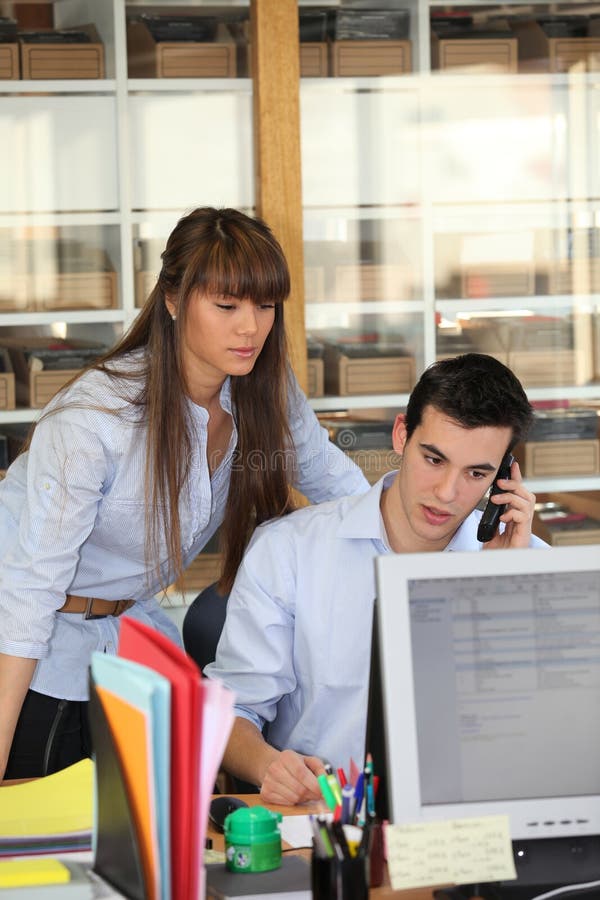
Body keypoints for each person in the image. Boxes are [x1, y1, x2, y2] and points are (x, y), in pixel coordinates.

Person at [0, 206, 368, 782]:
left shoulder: (263, 392)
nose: (250, 327)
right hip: (29, 653)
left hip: (129, 644)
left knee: (153, 843)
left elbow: (339, 486)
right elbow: (25, 599)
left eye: (265, 305)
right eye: (226, 306)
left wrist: (451, 546)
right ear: (172, 299)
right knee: (42, 845)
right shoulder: (95, 421)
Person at [205, 353, 548, 806]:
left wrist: (497, 585)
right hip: (326, 819)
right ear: (402, 434)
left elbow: (538, 728)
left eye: (476, 473)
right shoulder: (289, 550)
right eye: (433, 459)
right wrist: (271, 766)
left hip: (467, 816)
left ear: (502, 476)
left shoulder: (525, 562)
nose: (447, 493)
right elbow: (231, 712)